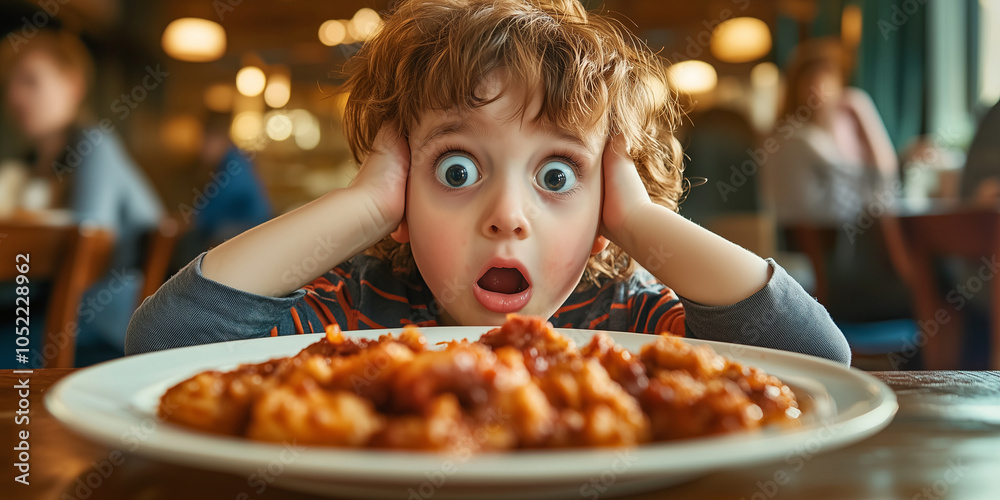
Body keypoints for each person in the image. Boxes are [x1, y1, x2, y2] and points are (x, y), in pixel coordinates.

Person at [126, 0, 850, 365]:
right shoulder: (355, 316)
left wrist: (636, 218)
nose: (507, 215)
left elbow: (812, 359)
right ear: (403, 194)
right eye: (457, 171)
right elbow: (167, 343)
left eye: (559, 174)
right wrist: (367, 204)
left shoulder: (632, 323)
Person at [1, 29, 164, 363]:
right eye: (10, 84)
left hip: (104, 327)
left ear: (73, 86)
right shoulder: (32, 166)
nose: (15, 96)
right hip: (55, 315)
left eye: (30, 81)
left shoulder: (94, 145)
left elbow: (88, 242)